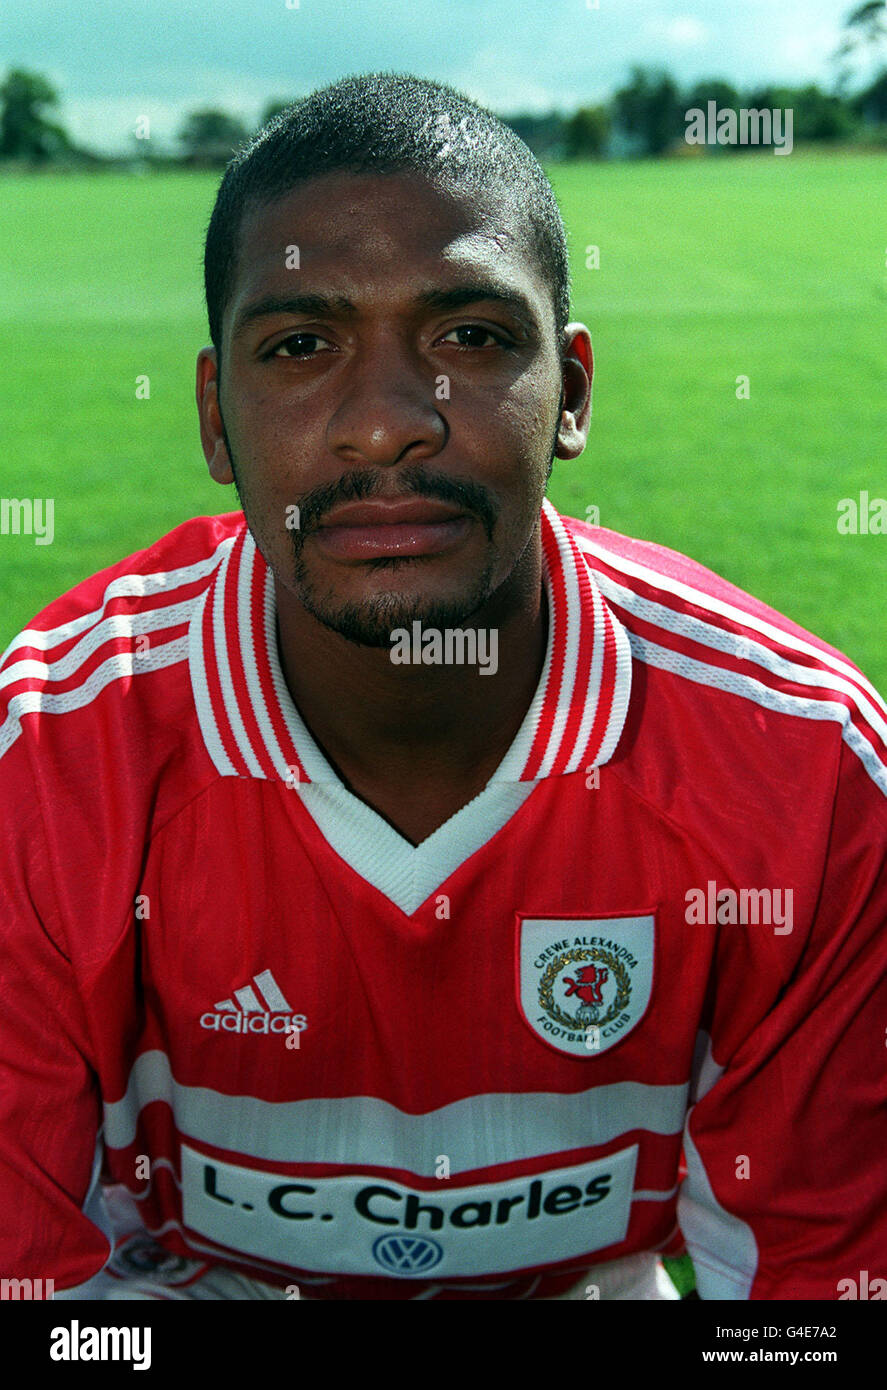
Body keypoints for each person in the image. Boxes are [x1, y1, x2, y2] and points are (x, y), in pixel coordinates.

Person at [1, 72, 885, 1303]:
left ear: (569, 392)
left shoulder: (801, 762)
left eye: (468, 337)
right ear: (215, 417)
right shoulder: (40, 764)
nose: (384, 425)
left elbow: (810, 1289)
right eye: (300, 345)